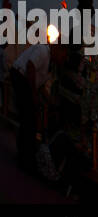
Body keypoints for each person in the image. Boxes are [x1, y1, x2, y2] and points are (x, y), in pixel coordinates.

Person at [8, 38, 69, 174]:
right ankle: (25, 158)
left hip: (26, 81)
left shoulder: (50, 67)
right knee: (29, 117)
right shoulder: (43, 50)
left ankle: (25, 155)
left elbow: (40, 85)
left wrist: (49, 102)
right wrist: (34, 95)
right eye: (63, 56)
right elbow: (30, 67)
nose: (63, 60)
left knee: (29, 118)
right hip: (20, 76)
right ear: (58, 49)